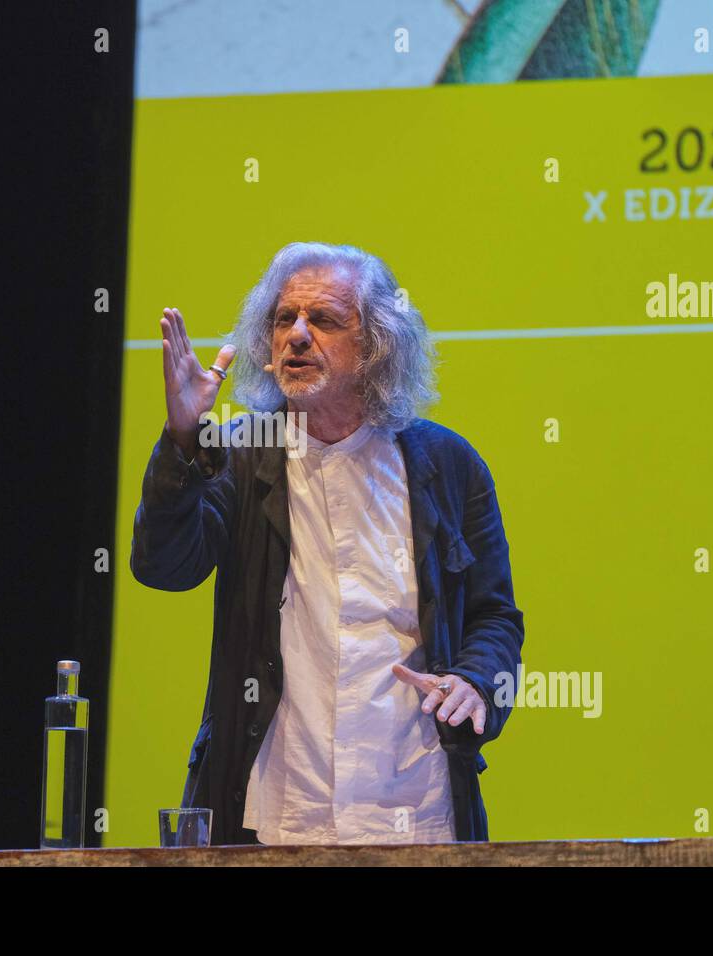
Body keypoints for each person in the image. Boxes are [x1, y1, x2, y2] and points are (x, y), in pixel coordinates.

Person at [130, 241, 524, 845]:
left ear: (376, 348)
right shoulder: (238, 452)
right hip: (276, 808)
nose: (297, 335)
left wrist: (473, 682)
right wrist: (183, 440)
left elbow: (495, 616)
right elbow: (165, 566)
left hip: (416, 810)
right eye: (285, 318)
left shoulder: (449, 465)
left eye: (325, 320)